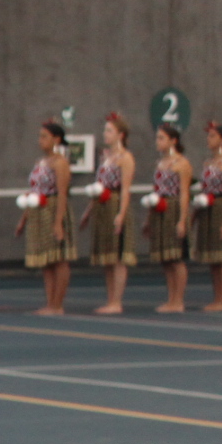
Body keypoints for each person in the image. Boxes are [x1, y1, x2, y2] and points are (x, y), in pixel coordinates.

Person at [15, 119, 75, 314]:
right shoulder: (39, 162)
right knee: (46, 261)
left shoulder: (60, 163)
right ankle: (50, 302)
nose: (40, 140)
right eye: (39, 136)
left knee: (59, 259)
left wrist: (58, 223)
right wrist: (24, 218)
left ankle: (58, 304)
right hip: (38, 211)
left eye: (44, 137)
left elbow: (62, 193)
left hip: (53, 208)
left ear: (56, 139)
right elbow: (35, 190)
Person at [80, 112, 137, 314]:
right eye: (105, 130)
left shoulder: (126, 158)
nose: (105, 134)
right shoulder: (105, 157)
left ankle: (117, 301)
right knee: (108, 258)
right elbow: (99, 186)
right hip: (101, 206)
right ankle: (110, 299)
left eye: (110, 131)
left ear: (121, 135)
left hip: (115, 204)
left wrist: (121, 214)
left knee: (118, 258)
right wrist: (88, 211)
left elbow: (125, 189)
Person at [143, 124, 194, 313]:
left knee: (176, 257)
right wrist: (148, 218)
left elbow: (184, 194)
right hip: (159, 209)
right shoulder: (160, 163)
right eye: (157, 138)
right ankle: (171, 298)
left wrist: (182, 220)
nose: (158, 141)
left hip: (173, 209)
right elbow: (156, 191)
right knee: (165, 258)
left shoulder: (182, 163)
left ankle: (178, 300)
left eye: (161, 138)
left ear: (174, 141)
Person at [194, 120, 222, 311]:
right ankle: (218, 297)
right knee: (214, 259)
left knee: (221, 257)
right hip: (208, 207)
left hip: (220, 207)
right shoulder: (208, 162)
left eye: (212, 136)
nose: (208, 139)